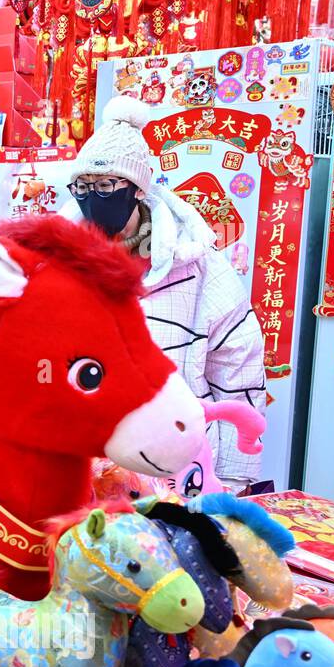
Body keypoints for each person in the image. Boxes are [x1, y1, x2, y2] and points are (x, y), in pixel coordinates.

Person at [60, 95, 267, 490]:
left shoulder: (197, 264)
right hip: (81, 459)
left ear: (137, 189)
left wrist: (234, 480)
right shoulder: (58, 261)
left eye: (105, 185)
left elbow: (238, 367)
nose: (92, 198)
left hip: (173, 460)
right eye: (82, 188)